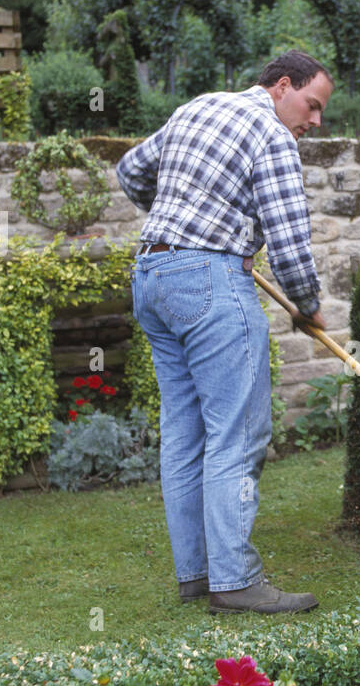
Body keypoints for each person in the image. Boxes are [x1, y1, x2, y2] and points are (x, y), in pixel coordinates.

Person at [116, 50, 333, 614]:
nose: (315, 121)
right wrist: (307, 307)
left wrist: (178, 219)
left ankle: (197, 575)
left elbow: (130, 170)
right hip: (210, 283)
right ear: (282, 86)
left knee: (186, 434)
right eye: (312, 105)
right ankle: (234, 581)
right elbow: (288, 241)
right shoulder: (273, 135)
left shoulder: (197, 107)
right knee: (237, 432)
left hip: (152, 276)